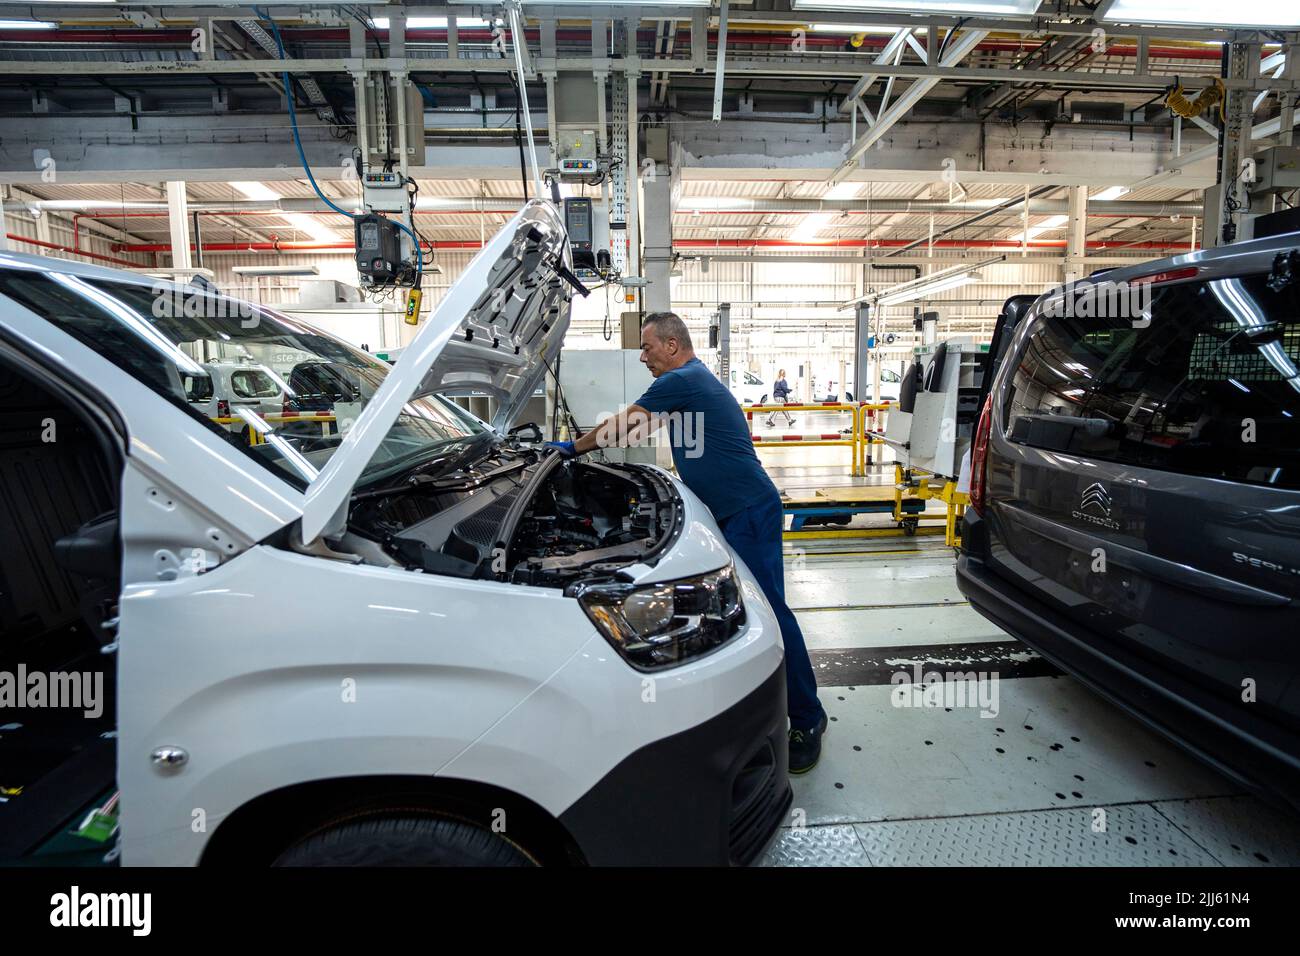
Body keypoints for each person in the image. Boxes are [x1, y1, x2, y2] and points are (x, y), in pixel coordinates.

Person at [546, 312, 829, 773]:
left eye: (647, 347)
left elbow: (624, 425)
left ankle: (809, 718)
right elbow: (640, 431)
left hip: (749, 511)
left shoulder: (685, 380)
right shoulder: (687, 385)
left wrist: (571, 449)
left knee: (772, 610)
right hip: (733, 511)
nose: (642, 357)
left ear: (673, 346)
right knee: (744, 611)